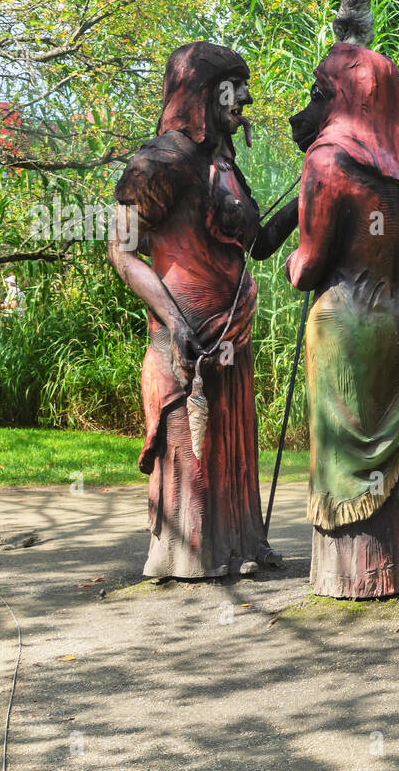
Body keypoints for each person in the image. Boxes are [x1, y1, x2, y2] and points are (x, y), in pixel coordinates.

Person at [109, 41, 299, 580]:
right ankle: (191, 553)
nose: (245, 98)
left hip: (232, 335)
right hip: (186, 339)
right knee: (193, 447)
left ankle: (237, 542)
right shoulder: (159, 161)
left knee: (232, 446)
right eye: (236, 86)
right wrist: (173, 319)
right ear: (206, 92)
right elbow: (122, 252)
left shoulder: (224, 162)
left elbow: (257, 243)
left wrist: (307, 196)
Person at [283, 0, 399, 598]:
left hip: (347, 325)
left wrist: (291, 259)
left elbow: (311, 265)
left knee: (348, 465)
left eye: (322, 91)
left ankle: (353, 577)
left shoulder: (327, 162)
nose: (314, 103)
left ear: (342, 94)